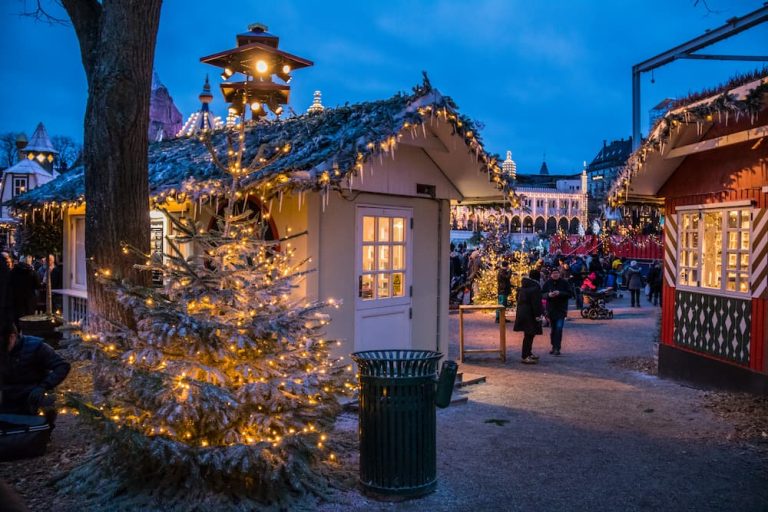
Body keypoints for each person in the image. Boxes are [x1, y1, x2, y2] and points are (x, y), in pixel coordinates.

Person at [0, 323, 70, 424]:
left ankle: (44, 429)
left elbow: (62, 366)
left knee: (47, 402)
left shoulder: (36, 347)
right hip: (8, 394)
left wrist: (43, 386)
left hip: (33, 393)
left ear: (12, 337)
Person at [513, 269, 543, 364]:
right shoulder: (535, 288)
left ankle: (528, 353)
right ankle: (525, 355)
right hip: (530, 314)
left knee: (529, 334)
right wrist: (538, 315)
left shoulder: (525, 286)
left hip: (524, 313)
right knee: (529, 335)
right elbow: (536, 303)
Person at [542, 268, 572, 356]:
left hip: (561, 309)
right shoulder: (547, 283)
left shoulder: (564, 283)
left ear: (559, 274)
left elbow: (569, 294)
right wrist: (548, 295)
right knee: (553, 329)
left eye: (557, 273)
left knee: (559, 328)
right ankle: (553, 346)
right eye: (553, 273)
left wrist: (560, 293)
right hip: (551, 309)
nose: (555, 274)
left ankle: (557, 348)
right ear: (551, 275)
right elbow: (542, 294)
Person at [9, 256, 41, 326]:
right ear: (28, 262)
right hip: (29, 299)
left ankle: (19, 333)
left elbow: (9, 284)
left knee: (18, 318)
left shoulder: (13, 271)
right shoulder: (32, 272)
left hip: (17, 299)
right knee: (29, 319)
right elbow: (38, 285)